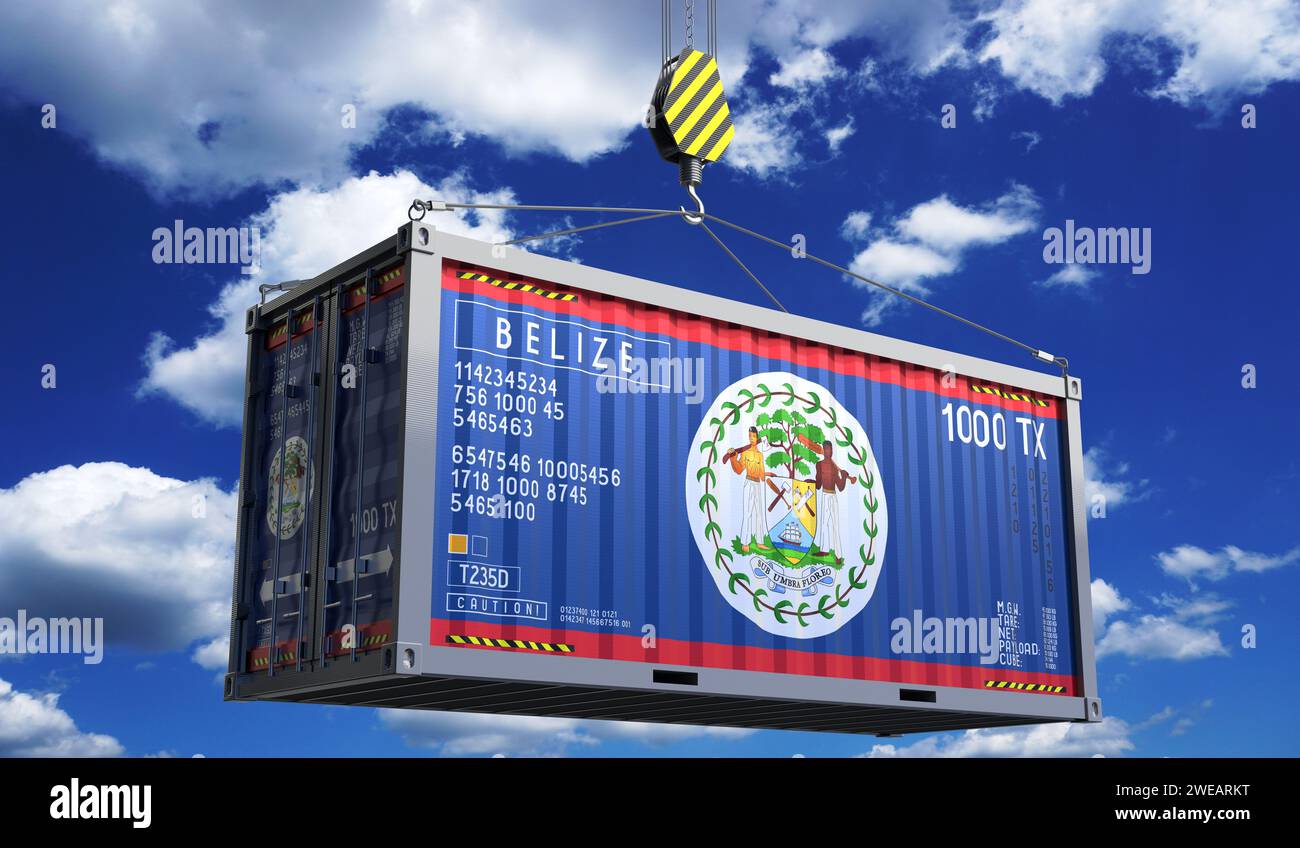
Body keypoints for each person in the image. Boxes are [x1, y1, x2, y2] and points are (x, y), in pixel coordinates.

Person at [806, 439, 855, 564]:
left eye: (831, 449)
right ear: (823, 450)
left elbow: (840, 487)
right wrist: (811, 482)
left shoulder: (834, 468)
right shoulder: (819, 465)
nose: (829, 451)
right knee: (823, 523)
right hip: (824, 495)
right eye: (827, 449)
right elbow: (818, 485)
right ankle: (824, 549)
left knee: (835, 525)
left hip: (833, 497)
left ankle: (838, 555)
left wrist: (844, 477)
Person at [723, 426, 767, 554]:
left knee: (759, 513)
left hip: (758, 484)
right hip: (749, 483)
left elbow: (762, 474)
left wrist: (767, 475)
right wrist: (733, 458)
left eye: (753, 436)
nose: (751, 438)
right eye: (750, 436)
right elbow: (738, 470)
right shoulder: (745, 453)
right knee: (748, 513)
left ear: (757, 437)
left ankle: (760, 542)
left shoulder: (760, 455)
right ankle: (745, 542)